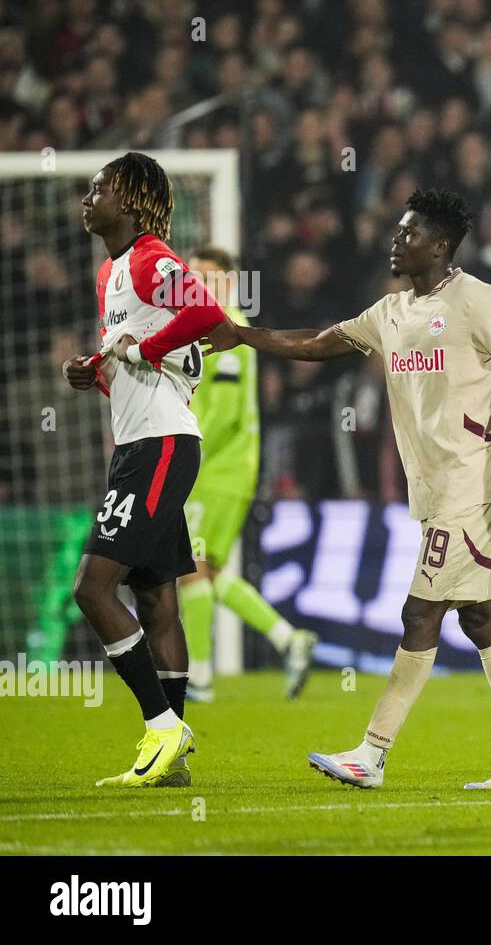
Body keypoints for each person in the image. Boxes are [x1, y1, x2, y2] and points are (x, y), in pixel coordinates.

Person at [205, 188, 491, 790]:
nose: (395, 241)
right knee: (481, 619)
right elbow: (319, 343)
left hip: (472, 483)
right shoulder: (390, 311)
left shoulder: (477, 300)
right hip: (433, 490)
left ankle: (371, 754)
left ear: (441, 245)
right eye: (396, 232)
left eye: (409, 234)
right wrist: (246, 336)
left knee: (418, 613)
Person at [65, 151, 228, 787]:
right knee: (156, 596)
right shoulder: (112, 272)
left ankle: (162, 726)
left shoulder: (146, 258)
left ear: (129, 201)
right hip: (146, 440)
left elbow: (208, 313)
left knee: (91, 588)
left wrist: (145, 345)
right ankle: (173, 765)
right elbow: (141, 370)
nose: (88, 196)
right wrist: (97, 373)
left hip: (157, 446)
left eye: (99, 188)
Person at [177, 245, 318, 704]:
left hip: (217, 466)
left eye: (206, 276)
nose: (195, 283)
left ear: (228, 283)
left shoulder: (225, 327)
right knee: (207, 570)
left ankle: (197, 676)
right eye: (191, 275)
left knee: (192, 570)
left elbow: (224, 414)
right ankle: (286, 639)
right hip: (220, 467)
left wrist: (183, 457)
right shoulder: (206, 325)